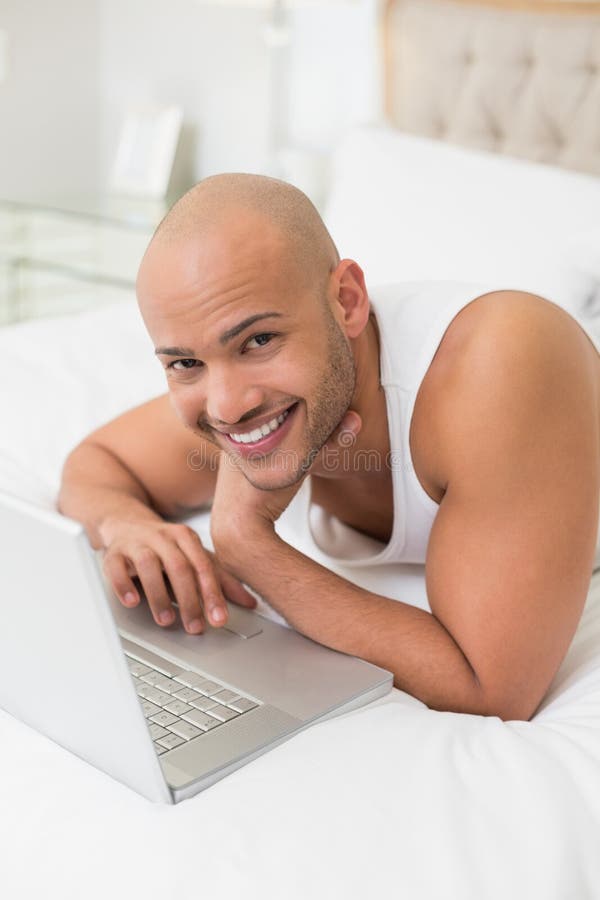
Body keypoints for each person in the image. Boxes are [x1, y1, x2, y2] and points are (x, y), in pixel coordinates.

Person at [58, 174, 600, 722]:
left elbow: (492, 689)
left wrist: (245, 542)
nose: (226, 408)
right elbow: (98, 464)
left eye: (258, 341)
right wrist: (127, 526)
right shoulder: (236, 394)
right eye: (184, 363)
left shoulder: (504, 363)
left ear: (347, 301)